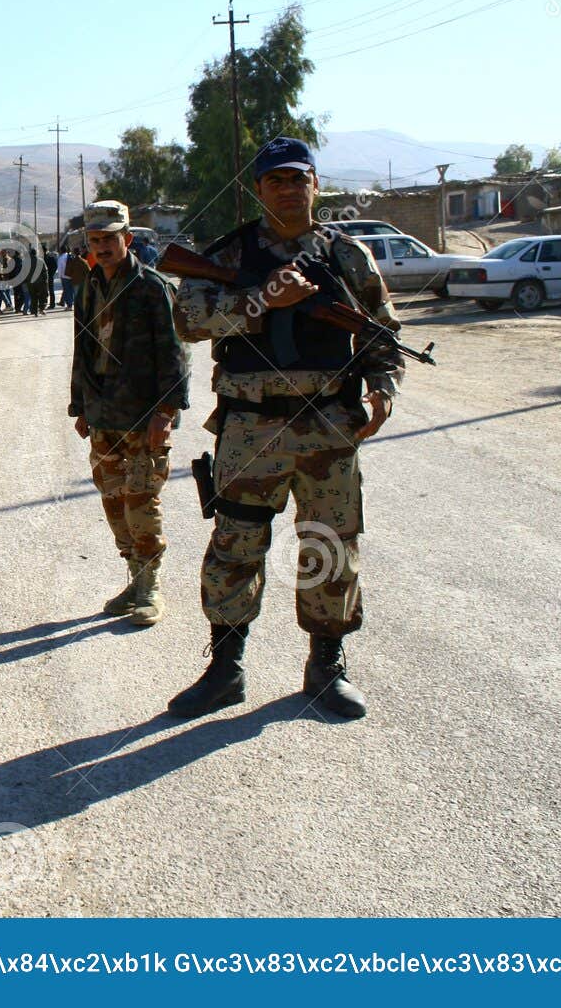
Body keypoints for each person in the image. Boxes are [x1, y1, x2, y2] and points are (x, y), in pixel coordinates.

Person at [169, 137, 402, 720]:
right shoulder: (229, 253)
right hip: (250, 427)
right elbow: (189, 319)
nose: (289, 189)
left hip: (329, 424)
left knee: (330, 546)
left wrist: (383, 389)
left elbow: (381, 332)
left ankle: (326, 666)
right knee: (235, 546)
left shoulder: (347, 256)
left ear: (315, 185)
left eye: (299, 178)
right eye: (276, 180)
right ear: (259, 189)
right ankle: (225, 669)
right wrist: (262, 300)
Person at [70, 200, 189, 625]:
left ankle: (150, 587)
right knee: (114, 503)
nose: (102, 247)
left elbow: (175, 353)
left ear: (128, 238)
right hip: (103, 414)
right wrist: (80, 406)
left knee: (141, 502)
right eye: (95, 240)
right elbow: (82, 351)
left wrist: (166, 411)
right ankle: (135, 578)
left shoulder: (152, 287)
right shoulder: (89, 288)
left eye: (109, 239)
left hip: (143, 415)